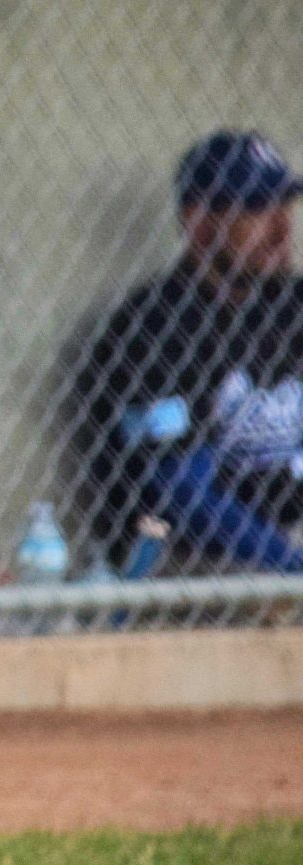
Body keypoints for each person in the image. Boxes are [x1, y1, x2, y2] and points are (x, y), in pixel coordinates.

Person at [74, 130, 303, 575]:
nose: (281, 228)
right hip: (198, 562)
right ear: (199, 223)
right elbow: (183, 495)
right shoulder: (152, 328)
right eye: (256, 209)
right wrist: (292, 569)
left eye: (284, 206)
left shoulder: (292, 305)